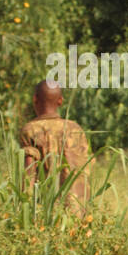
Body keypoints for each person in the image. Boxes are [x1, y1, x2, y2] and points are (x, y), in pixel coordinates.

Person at [20, 79, 92, 213]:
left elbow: (29, 173)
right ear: (60, 101)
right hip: (79, 210)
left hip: (49, 213)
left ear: (35, 99)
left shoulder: (30, 130)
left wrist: (23, 208)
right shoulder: (75, 129)